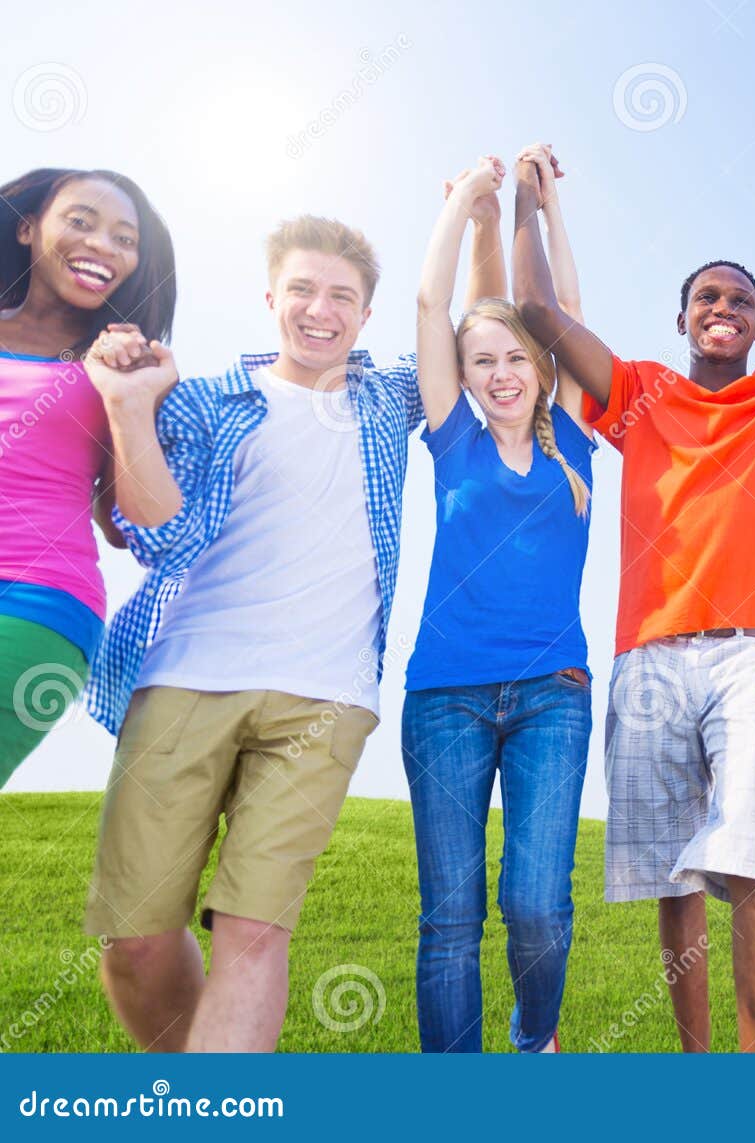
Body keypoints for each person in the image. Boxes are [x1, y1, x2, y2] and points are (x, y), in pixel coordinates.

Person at [513, 142, 755, 1051]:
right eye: (708, 298)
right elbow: (536, 310)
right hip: (647, 655)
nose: (723, 308)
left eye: (741, 301)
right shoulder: (640, 392)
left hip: (753, 652)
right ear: (683, 318)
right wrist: (525, 203)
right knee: (672, 875)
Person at [79, 213, 423, 1052]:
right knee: (135, 941)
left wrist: (481, 208)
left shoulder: (390, 396)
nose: (320, 309)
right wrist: (128, 407)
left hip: (327, 698)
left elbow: (475, 310)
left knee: (255, 929)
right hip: (188, 675)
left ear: (366, 316)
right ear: (272, 297)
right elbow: (160, 537)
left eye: (342, 296)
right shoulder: (202, 400)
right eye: (302, 288)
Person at [402, 149, 596, 1054]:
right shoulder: (453, 441)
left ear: (538, 362)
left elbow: (570, 317)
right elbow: (426, 307)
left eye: (515, 354)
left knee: (535, 904)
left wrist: (544, 209)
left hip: (553, 694)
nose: (500, 372)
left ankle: (535, 1039)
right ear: (465, 374)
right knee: (450, 916)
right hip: (446, 697)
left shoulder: (580, 446)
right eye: (482, 361)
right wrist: (470, 201)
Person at [0, 168, 175, 786]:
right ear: (27, 228)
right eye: (81, 222)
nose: (103, 244)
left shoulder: (119, 364)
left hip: (34, 601)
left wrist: (130, 401)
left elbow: (138, 526)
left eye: (125, 238)